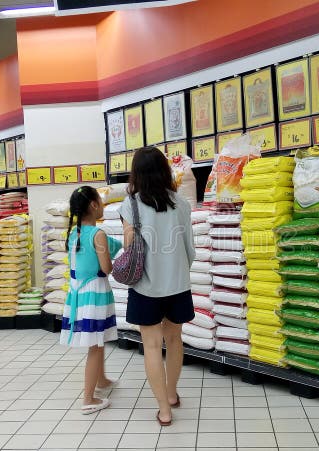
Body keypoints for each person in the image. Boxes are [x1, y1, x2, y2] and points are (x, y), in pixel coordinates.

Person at [120, 147, 196, 426]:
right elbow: (190, 249)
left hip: (145, 287)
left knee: (152, 346)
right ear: (165, 170)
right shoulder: (181, 202)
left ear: (136, 173)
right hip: (177, 284)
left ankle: (164, 409)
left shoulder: (131, 205)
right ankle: (173, 393)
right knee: (175, 340)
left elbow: (129, 247)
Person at [60, 186, 122, 415]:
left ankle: (102, 379)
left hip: (78, 293)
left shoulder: (74, 234)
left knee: (98, 340)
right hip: (95, 293)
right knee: (95, 346)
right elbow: (106, 268)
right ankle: (88, 398)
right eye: (101, 201)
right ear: (94, 205)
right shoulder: (98, 235)